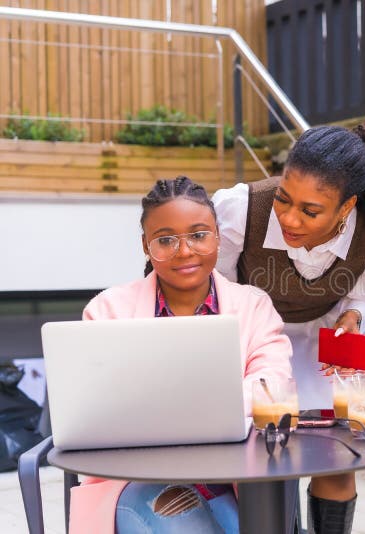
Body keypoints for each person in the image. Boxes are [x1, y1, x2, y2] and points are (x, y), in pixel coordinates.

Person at [213, 125, 365, 534]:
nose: (289, 217)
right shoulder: (240, 209)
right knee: (270, 459)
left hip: (324, 345)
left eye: (309, 211)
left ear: (346, 207)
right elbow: (218, 291)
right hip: (255, 345)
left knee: (336, 463)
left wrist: (354, 316)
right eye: (284, 199)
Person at [68, 176, 293, 534]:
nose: (184, 250)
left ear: (218, 236)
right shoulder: (107, 311)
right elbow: (98, 411)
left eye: (199, 235)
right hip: (135, 482)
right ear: (146, 245)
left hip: (227, 482)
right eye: (166, 239)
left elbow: (272, 383)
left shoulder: (253, 307)